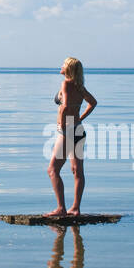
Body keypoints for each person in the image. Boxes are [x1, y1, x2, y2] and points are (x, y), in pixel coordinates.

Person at [46, 57, 97, 218]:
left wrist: (61, 125)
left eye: (63, 64)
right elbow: (93, 102)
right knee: (77, 171)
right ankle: (75, 208)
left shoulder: (67, 84)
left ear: (68, 68)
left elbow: (66, 106)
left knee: (52, 170)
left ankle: (61, 208)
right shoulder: (79, 86)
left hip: (67, 130)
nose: (60, 66)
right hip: (78, 129)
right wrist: (80, 118)